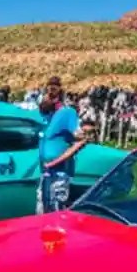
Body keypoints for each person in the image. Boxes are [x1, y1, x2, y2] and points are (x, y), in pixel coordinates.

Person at [38, 85, 88, 214]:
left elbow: (81, 139)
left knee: (56, 212)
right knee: (41, 213)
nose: (42, 100)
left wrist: (58, 161)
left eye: (45, 97)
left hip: (59, 174)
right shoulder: (49, 116)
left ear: (55, 99)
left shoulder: (67, 113)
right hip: (45, 173)